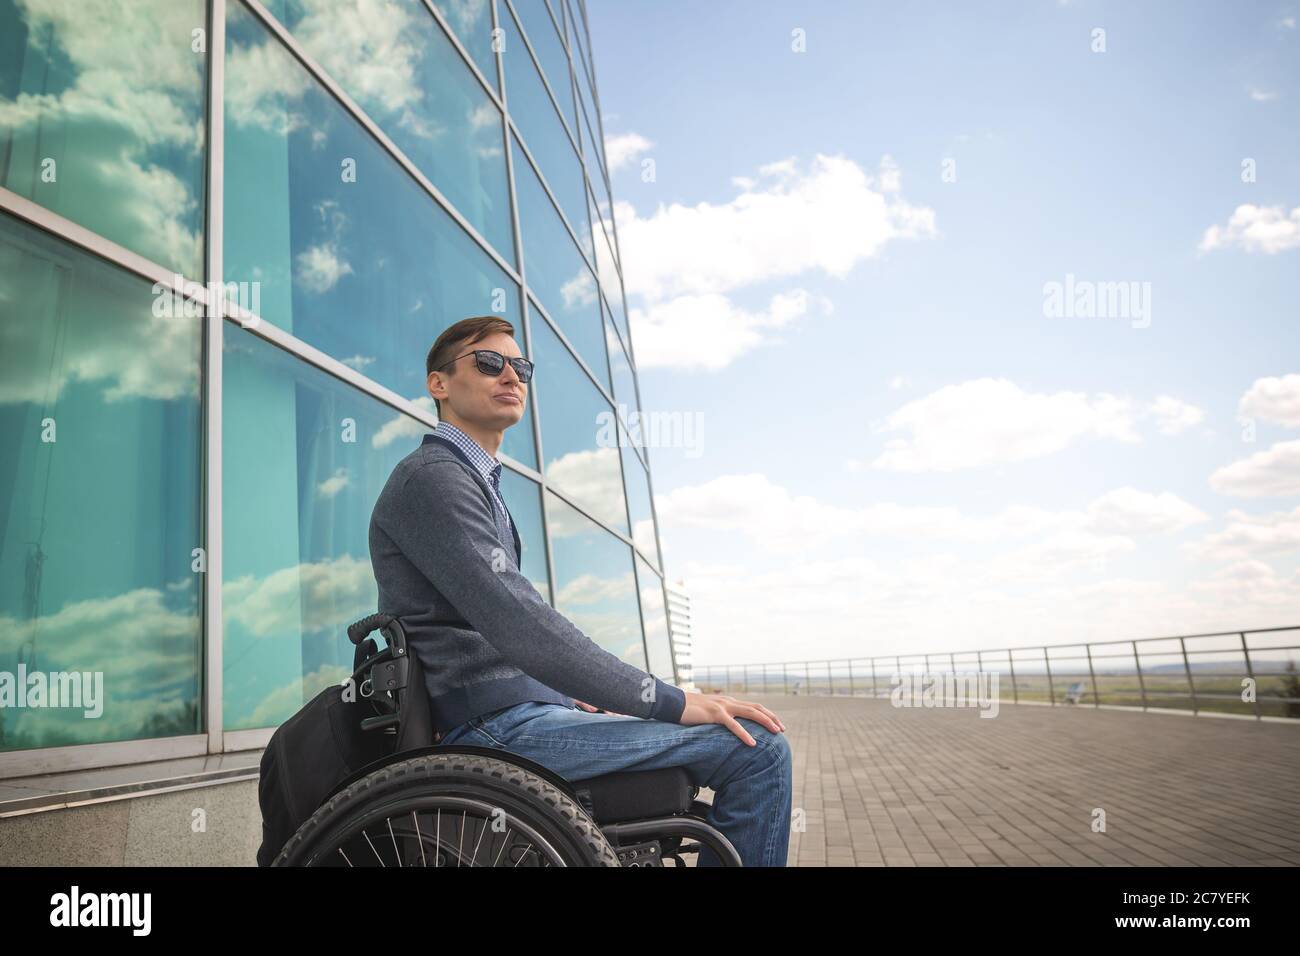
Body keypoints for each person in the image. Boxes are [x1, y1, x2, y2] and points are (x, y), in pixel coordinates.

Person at [367, 315, 792, 866]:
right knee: (756, 751)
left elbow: (505, 631)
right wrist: (673, 702)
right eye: (490, 362)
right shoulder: (432, 478)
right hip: (490, 732)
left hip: (513, 716)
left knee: (744, 737)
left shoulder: (473, 480)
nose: (512, 376)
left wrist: (570, 697)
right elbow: (519, 623)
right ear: (439, 384)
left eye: (521, 367)